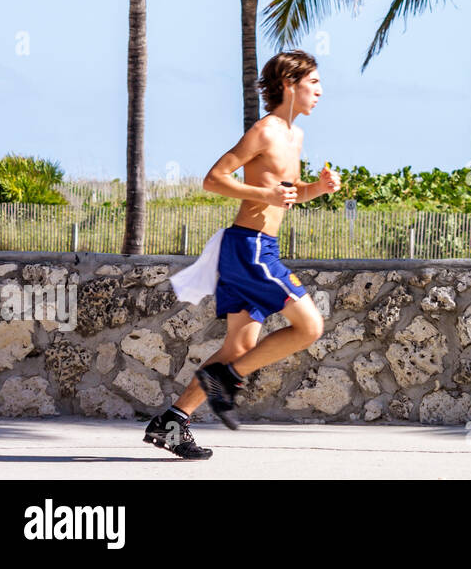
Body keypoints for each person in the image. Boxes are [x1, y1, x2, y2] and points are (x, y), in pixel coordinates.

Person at [144, 50, 342, 459]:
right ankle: (227, 379)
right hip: (250, 248)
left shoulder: (295, 136)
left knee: (238, 344)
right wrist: (262, 193)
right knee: (309, 327)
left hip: (254, 246)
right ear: (290, 84)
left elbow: (286, 194)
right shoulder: (265, 131)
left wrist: (316, 189)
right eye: (314, 82)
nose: (320, 91)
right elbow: (214, 179)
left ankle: (172, 422)